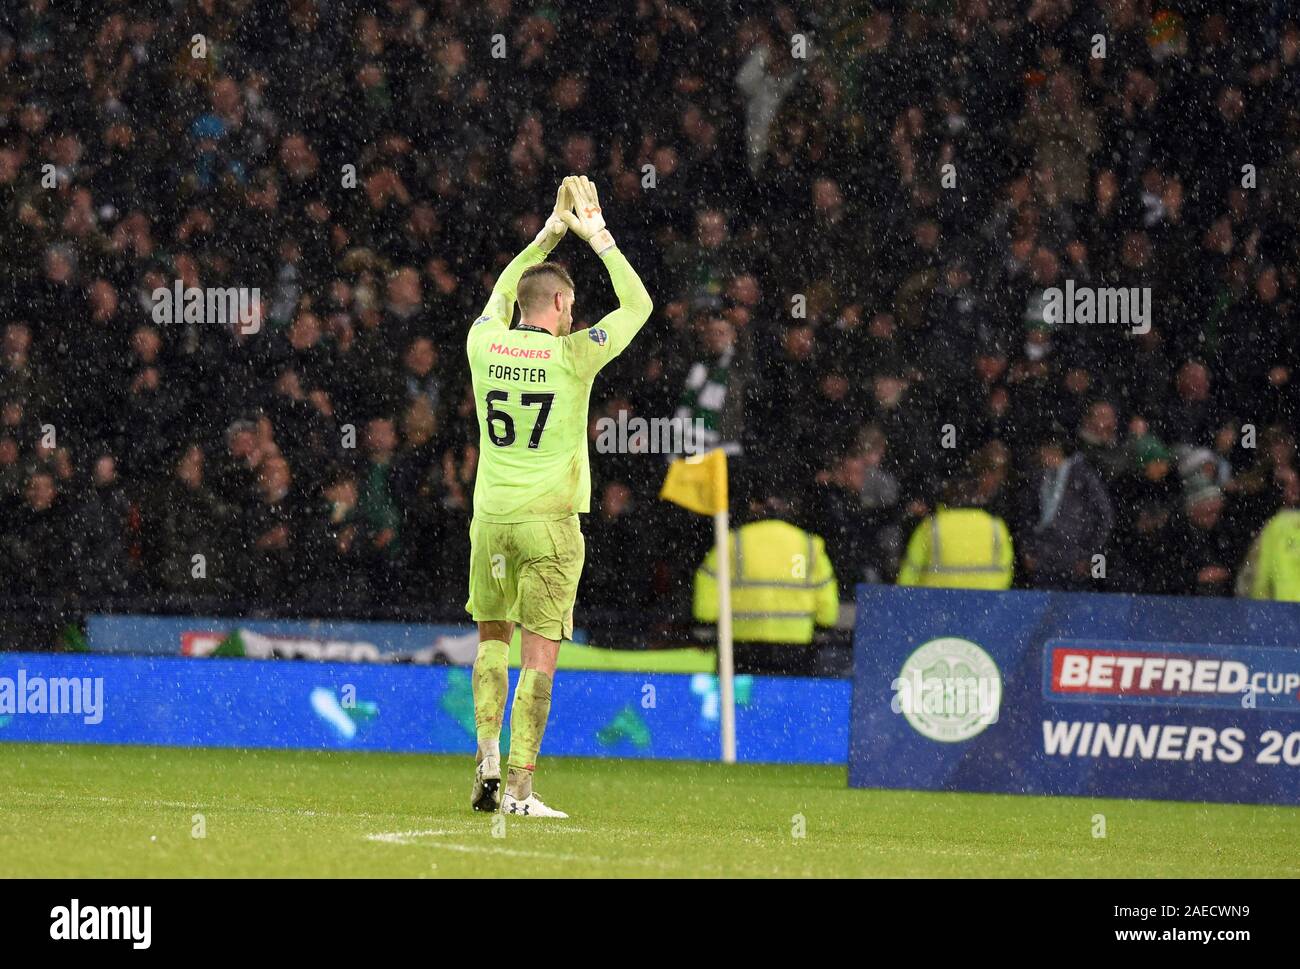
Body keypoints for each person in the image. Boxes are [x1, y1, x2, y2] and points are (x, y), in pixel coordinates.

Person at [464, 176, 652, 818]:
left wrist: (546, 232)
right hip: (548, 525)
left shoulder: (483, 344)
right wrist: (597, 234)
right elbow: (638, 306)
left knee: (492, 638)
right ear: (561, 306)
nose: (573, 315)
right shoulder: (575, 356)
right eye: (569, 306)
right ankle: (519, 788)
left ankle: (485, 751)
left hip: (490, 519)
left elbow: (500, 291)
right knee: (539, 655)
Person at [896, 479, 1015, 590]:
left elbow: (910, 570)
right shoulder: (996, 525)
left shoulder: (931, 525)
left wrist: (903, 599)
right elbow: (1007, 568)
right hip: (987, 602)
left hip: (935, 602)